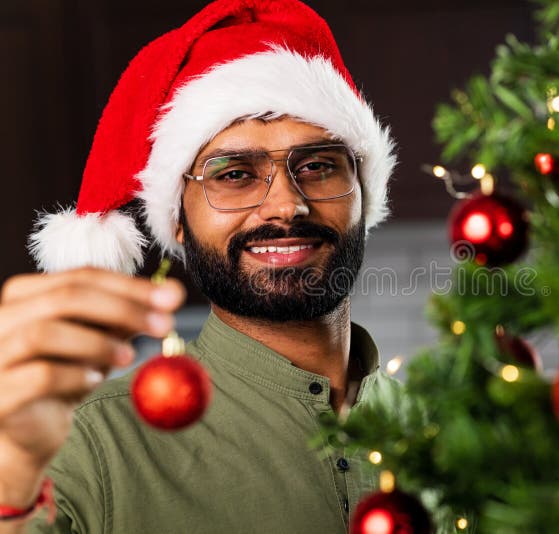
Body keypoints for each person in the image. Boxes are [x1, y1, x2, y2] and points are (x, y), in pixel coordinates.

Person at [0, 0, 397, 532]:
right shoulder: (82, 445)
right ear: (178, 219)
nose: (286, 205)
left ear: (364, 193)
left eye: (319, 165)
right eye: (234, 174)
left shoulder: (461, 414)